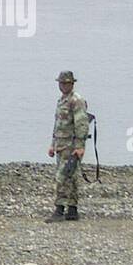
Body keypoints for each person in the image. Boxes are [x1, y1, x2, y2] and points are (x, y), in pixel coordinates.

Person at [47, 70, 90, 222]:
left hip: (71, 145)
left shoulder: (76, 100)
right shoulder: (62, 100)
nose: (63, 86)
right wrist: (52, 145)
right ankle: (72, 210)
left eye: (66, 83)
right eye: (61, 83)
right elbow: (58, 124)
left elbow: (81, 124)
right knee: (70, 177)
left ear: (72, 84)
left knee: (63, 177)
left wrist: (80, 146)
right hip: (61, 145)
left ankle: (60, 209)